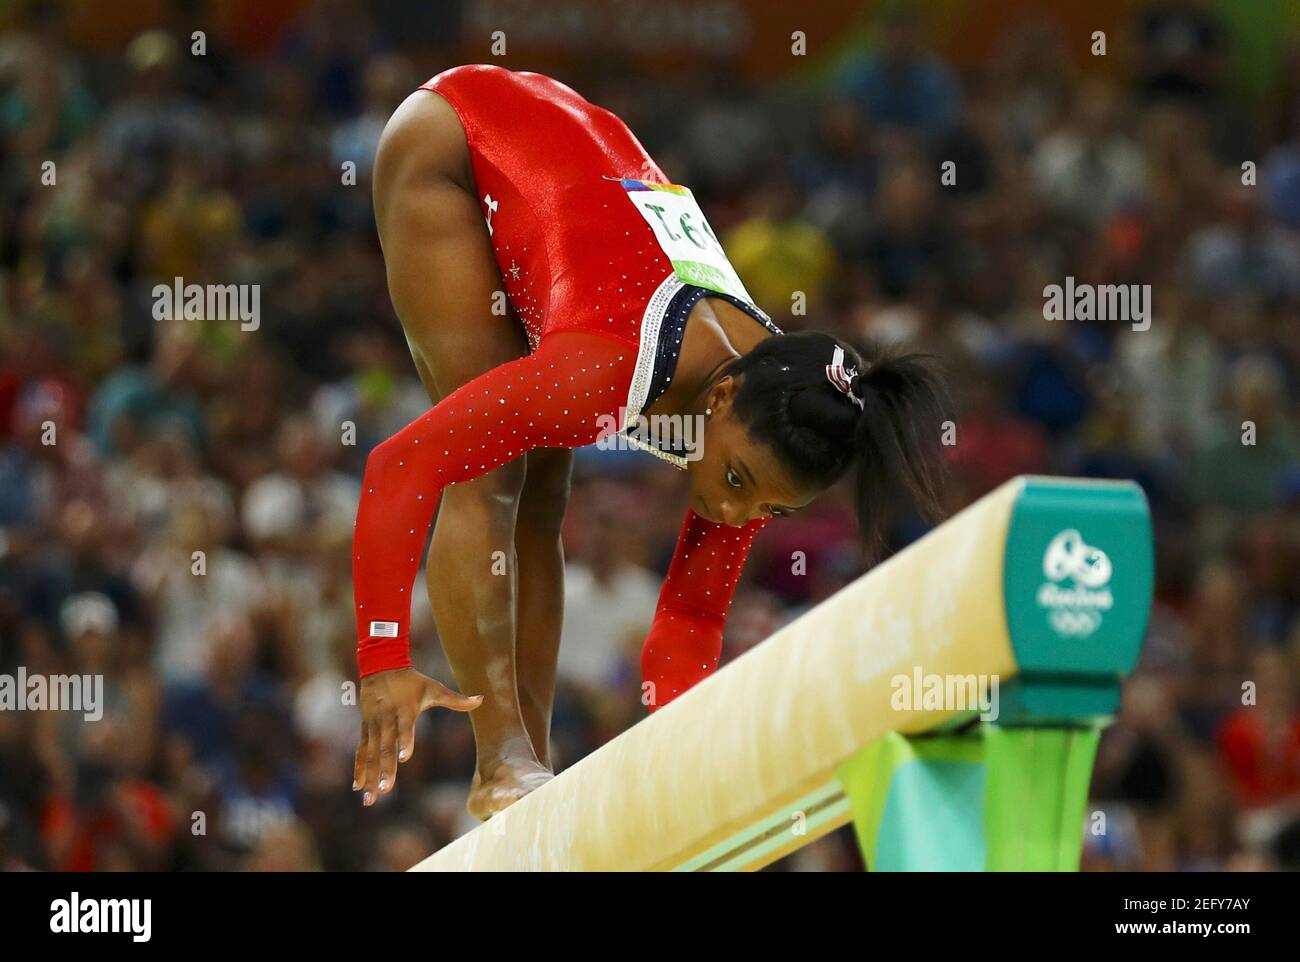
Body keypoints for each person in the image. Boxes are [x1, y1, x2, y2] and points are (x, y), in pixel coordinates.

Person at [352, 65, 948, 818]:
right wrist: (381, 658)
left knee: (545, 495)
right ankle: (501, 759)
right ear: (722, 393)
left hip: (583, 164)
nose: (736, 516)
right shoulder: (607, 369)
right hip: (456, 146)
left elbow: (692, 621)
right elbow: (400, 463)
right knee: (494, 474)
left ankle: (527, 768)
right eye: (736, 484)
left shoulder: (770, 423)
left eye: (769, 510)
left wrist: (686, 757)